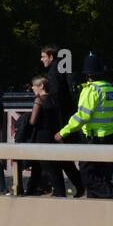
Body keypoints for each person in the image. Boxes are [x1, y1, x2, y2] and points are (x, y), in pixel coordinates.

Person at [55, 52, 113, 198]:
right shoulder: (110, 89)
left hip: (93, 138)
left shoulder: (91, 90)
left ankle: (111, 195)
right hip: (109, 137)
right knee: (102, 173)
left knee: (87, 174)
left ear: (87, 74)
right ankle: (97, 205)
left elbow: (82, 116)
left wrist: (63, 132)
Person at [41, 45, 84, 197]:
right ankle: (79, 186)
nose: (42, 60)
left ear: (51, 57)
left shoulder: (53, 73)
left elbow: (56, 99)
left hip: (59, 123)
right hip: (68, 119)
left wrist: (59, 129)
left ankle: (60, 190)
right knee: (64, 160)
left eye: (43, 56)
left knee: (54, 160)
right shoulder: (63, 70)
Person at [19, 74, 66, 197]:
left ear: (41, 86)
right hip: (52, 134)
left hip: (40, 136)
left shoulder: (39, 100)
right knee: (52, 165)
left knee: (40, 165)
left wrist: (27, 119)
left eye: (34, 86)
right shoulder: (54, 99)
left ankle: (33, 191)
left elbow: (33, 121)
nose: (32, 88)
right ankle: (59, 190)